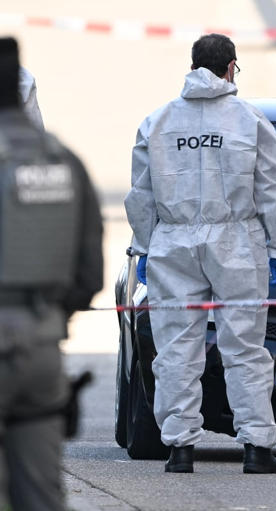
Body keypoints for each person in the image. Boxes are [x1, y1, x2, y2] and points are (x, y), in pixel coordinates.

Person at [124, 33, 276, 474]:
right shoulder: (250, 120)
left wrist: (144, 247)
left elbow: (141, 195)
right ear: (231, 67)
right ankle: (257, 447)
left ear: (192, 66)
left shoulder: (158, 121)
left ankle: (180, 449)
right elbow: (274, 190)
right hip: (236, 242)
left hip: (173, 243)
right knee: (245, 347)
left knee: (176, 348)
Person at [0, 37, 103, 509]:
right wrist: (44, 318)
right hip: (42, 352)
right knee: (41, 493)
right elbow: (89, 275)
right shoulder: (64, 160)